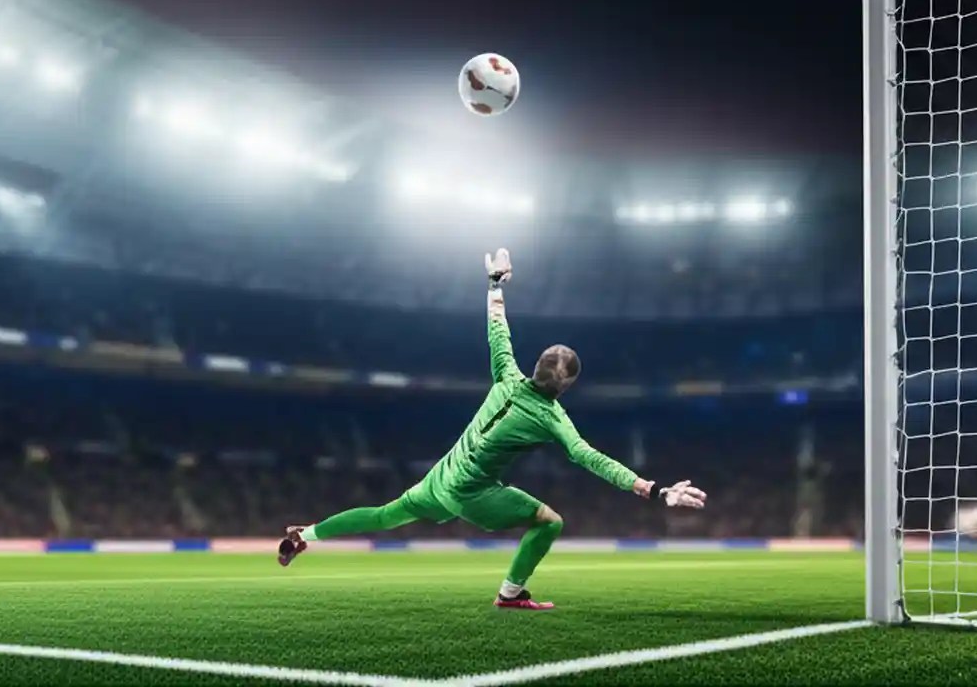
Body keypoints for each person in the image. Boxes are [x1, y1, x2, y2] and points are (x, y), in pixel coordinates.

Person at [278, 248, 706, 609]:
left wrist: (495, 282)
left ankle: (306, 534)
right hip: (470, 492)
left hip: (443, 475)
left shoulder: (507, 374)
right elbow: (589, 458)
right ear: (568, 385)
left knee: (385, 515)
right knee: (549, 522)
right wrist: (656, 490)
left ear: (536, 366)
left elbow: (497, 329)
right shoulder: (551, 418)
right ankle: (510, 594)